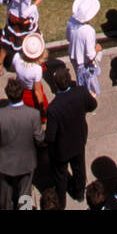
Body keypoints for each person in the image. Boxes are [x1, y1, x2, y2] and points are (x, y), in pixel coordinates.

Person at [45, 61, 98, 209]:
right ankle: (80, 193)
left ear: (56, 85)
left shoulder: (53, 108)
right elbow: (93, 105)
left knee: (61, 176)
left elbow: (50, 136)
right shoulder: (80, 92)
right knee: (79, 168)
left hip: (61, 149)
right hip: (79, 139)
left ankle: (61, 204)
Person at [0, 75, 45, 211]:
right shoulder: (33, 115)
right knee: (25, 193)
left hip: (6, 163)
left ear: (8, 95)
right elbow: (40, 138)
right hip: (27, 161)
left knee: (6, 195)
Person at [66, 0, 101, 94]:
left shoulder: (71, 21)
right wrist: (97, 49)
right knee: (88, 79)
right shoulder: (89, 31)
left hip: (73, 56)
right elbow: (90, 55)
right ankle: (87, 95)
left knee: (79, 76)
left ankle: (81, 90)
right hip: (85, 61)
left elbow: (68, 38)